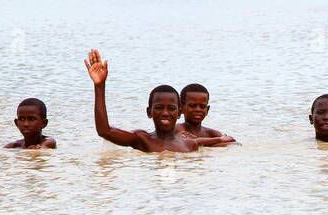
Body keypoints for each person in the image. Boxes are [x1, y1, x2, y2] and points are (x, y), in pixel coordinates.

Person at [83, 49, 233, 153]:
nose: (165, 113)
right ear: (149, 112)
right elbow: (104, 131)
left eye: (171, 108)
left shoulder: (189, 143)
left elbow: (206, 142)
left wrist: (222, 138)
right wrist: (99, 86)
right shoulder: (142, 140)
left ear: (179, 112)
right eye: (159, 107)